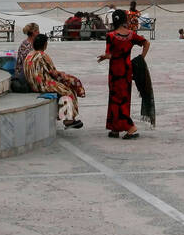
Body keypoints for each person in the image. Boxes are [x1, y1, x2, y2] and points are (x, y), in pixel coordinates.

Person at [97, 9, 151, 139]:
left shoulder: (111, 36)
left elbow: (109, 55)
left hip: (115, 71)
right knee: (124, 98)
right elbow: (146, 43)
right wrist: (141, 58)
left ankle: (130, 127)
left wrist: (104, 57)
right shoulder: (131, 35)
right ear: (124, 20)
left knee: (115, 98)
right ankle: (115, 128)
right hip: (126, 70)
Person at [25, 33, 86, 129]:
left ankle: (65, 116)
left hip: (33, 84)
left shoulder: (29, 55)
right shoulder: (42, 55)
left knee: (64, 87)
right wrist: (64, 76)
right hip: (42, 84)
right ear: (45, 45)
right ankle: (68, 120)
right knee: (67, 91)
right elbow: (53, 73)